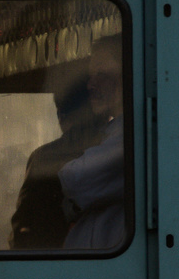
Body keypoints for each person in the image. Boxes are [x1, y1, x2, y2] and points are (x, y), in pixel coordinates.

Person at [8, 37, 129, 252]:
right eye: (90, 76)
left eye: (102, 74)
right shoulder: (112, 136)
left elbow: (76, 179)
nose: (92, 84)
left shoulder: (129, 140)